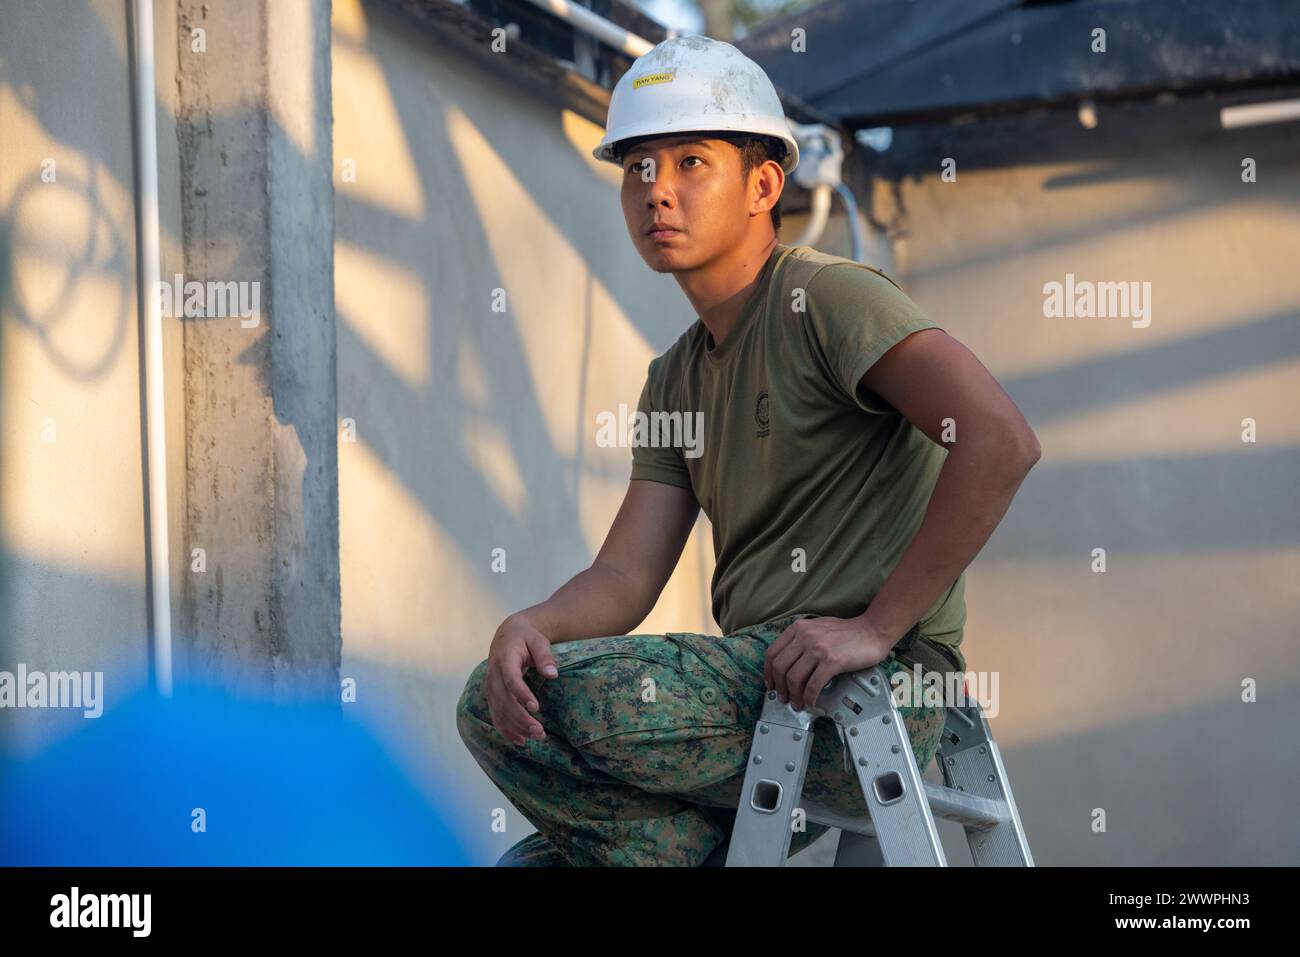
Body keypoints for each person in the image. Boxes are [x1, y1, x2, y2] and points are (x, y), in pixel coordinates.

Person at [456, 34, 1040, 866]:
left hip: (876, 690)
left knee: (541, 706)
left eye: (691, 161)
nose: (657, 191)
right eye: (637, 168)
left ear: (765, 183)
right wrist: (531, 623)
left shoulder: (829, 299)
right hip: (771, 701)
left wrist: (877, 626)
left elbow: (1000, 438)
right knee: (513, 765)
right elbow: (625, 578)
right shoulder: (675, 378)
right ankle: (687, 856)